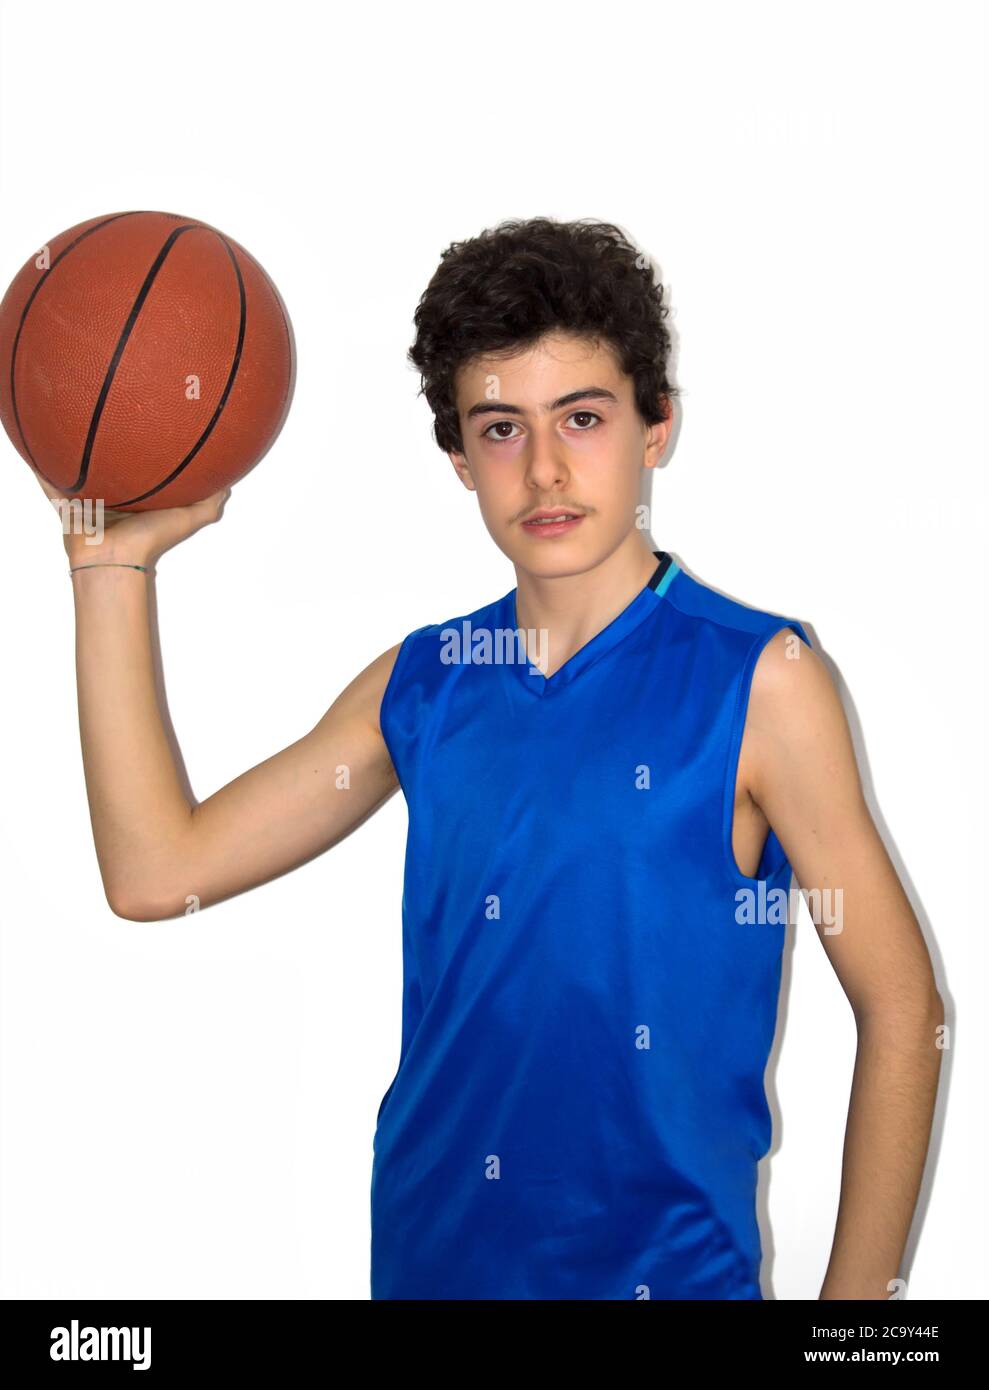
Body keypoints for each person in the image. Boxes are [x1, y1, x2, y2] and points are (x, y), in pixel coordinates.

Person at [37, 217, 943, 1301]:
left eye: (584, 417)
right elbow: (153, 872)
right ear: (459, 458)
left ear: (656, 427)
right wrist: (110, 568)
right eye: (502, 428)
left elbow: (900, 1007)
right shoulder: (423, 684)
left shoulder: (761, 682)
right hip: (427, 1270)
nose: (546, 467)